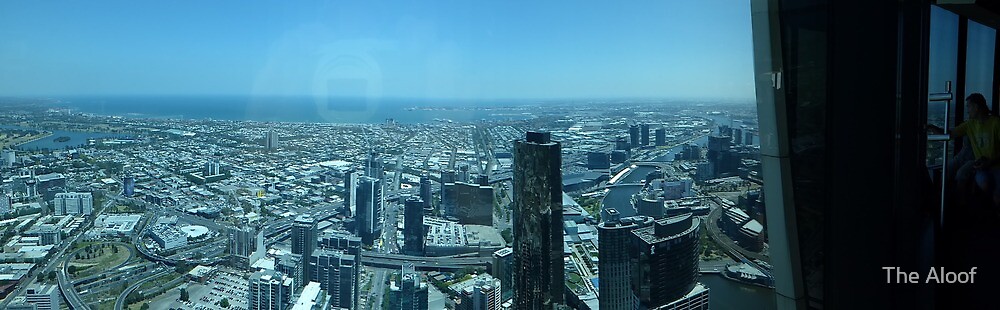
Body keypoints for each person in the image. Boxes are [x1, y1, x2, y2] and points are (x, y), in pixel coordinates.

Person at [932, 93, 1000, 208]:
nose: (967, 110)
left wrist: (990, 162)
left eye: (968, 106)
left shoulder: (996, 123)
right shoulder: (970, 125)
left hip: (997, 166)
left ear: (976, 107)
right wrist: (932, 128)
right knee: (985, 184)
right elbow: (950, 133)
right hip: (982, 167)